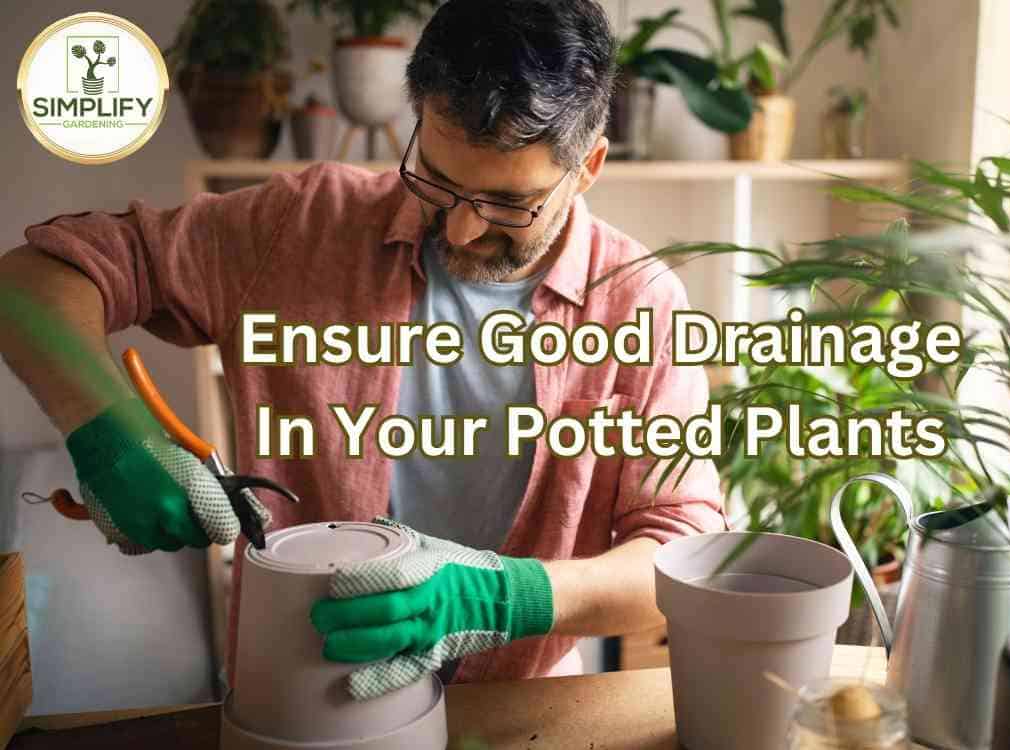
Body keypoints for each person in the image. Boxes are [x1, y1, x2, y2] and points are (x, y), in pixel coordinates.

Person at [0, 0, 726, 695]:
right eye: (436, 181)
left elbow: (683, 561)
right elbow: (30, 281)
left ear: (588, 166)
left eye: (509, 204)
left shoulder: (642, 303)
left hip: (514, 707)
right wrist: (108, 431)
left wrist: (508, 598)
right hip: (295, 695)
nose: (465, 232)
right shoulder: (300, 223)